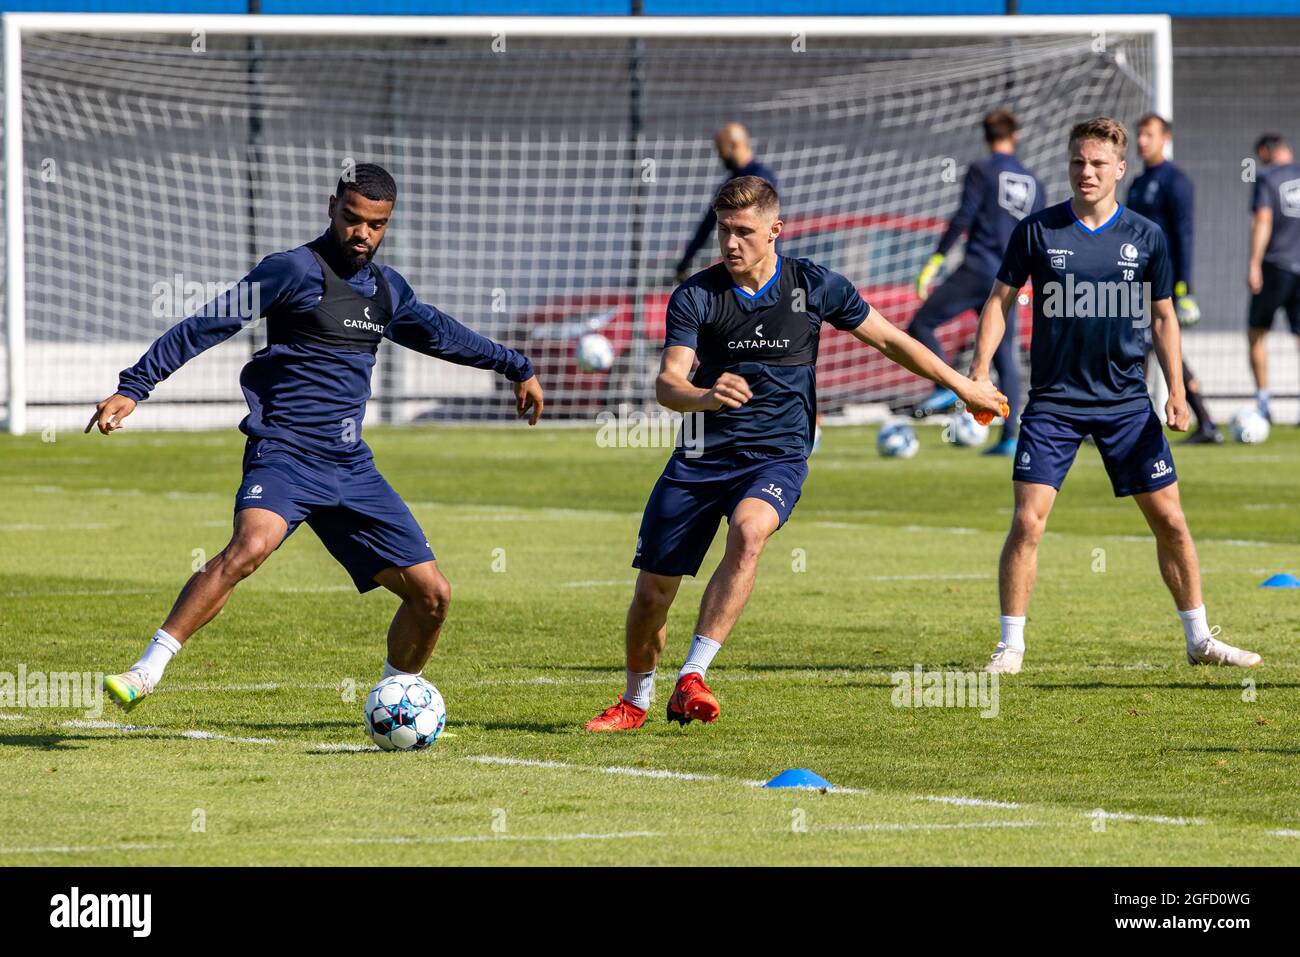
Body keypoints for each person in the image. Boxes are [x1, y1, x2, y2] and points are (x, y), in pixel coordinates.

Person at [86, 164, 544, 712]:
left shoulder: (387, 290)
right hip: (284, 453)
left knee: (433, 596)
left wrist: (516, 366)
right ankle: (146, 670)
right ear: (332, 207)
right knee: (249, 548)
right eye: (352, 219)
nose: (362, 234)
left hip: (350, 466)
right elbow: (208, 323)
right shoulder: (291, 271)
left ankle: (394, 698)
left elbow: (442, 335)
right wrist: (135, 386)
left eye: (376, 225)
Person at [585, 176, 1006, 731]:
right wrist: (705, 396)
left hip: (776, 455)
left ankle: (693, 676)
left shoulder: (814, 285)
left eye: (744, 232)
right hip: (699, 458)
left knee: (750, 530)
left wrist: (963, 385)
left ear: (775, 231)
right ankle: (635, 702)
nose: (731, 243)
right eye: (724, 231)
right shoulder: (697, 295)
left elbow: (891, 340)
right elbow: (667, 383)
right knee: (652, 597)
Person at [970, 117, 1260, 676]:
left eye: (1099, 164)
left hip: (1127, 404)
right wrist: (981, 372)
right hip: (1053, 403)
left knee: (1171, 522)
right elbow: (999, 302)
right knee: (1028, 523)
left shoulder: (1146, 236)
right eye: (1078, 161)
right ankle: (1011, 647)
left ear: (1119, 170)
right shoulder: (1037, 231)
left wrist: (1176, 391)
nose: (1087, 172)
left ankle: (1200, 638)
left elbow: (1163, 316)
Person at [908, 108, 1044, 455]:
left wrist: (936, 259)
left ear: (986, 137)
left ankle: (947, 386)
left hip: (978, 268)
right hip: (1009, 278)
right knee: (1004, 355)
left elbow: (964, 215)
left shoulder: (982, 170)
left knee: (922, 323)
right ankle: (1011, 437)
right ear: (1014, 136)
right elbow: (1036, 231)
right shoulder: (1033, 181)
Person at [1127, 112, 1221, 444]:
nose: (1141, 141)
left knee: (1148, 347)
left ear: (1165, 138)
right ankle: (1202, 422)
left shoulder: (1175, 181)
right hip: (1134, 282)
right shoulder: (1137, 184)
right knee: (1144, 348)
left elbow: (1184, 235)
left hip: (1161, 284)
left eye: (1148, 134)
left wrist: (1184, 288)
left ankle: (1136, 421)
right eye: (1139, 134)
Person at [674, 123, 777, 284]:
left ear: (734, 146)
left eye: (720, 150)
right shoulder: (729, 185)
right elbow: (706, 226)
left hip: (763, 273)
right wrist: (685, 262)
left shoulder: (762, 181)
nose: (720, 157)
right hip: (740, 275)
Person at [1246, 133, 1300, 423]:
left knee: (1256, 334)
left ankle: (1263, 403)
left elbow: (1263, 220)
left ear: (1266, 152)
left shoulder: (1267, 178)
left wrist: (1254, 264)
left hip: (1275, 266)